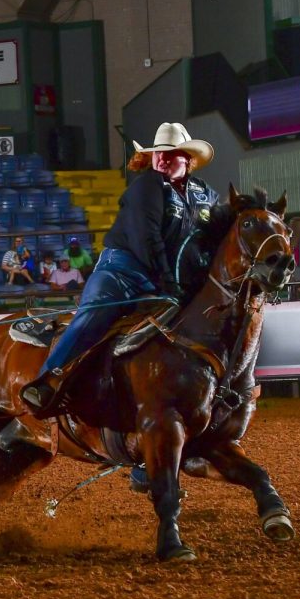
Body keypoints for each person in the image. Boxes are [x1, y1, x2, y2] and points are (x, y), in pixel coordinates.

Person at [20, 122, 219, 417]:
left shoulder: (206, 195)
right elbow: (146, 238)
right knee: (96, 312)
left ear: (188, 159)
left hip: (168, 279)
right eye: (158, 153)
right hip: (122, 271)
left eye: (170, 153)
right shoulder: (147, 185)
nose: (161, 159)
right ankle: (48, 380)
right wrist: (168, 281)